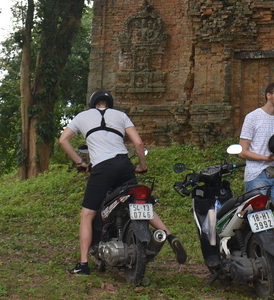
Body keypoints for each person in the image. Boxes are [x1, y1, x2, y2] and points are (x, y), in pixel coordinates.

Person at [59, 89, 186, 275]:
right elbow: (139, 144)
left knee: (87, 214)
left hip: (102, 167)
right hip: (124, 164)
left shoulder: (82, 116)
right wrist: (142, 165)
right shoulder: (121, 115)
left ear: (93, 103)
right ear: (109, 103)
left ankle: (84, 264)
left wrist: (80, 162)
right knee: (138, 203)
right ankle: (169, 235)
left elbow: (63, 140)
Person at [238, 81, 274, 281]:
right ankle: (260, 262)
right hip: (257, 174)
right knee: (260, 222)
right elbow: (242, 151)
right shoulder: (253, 117)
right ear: (268, 95)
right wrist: (266, 158)